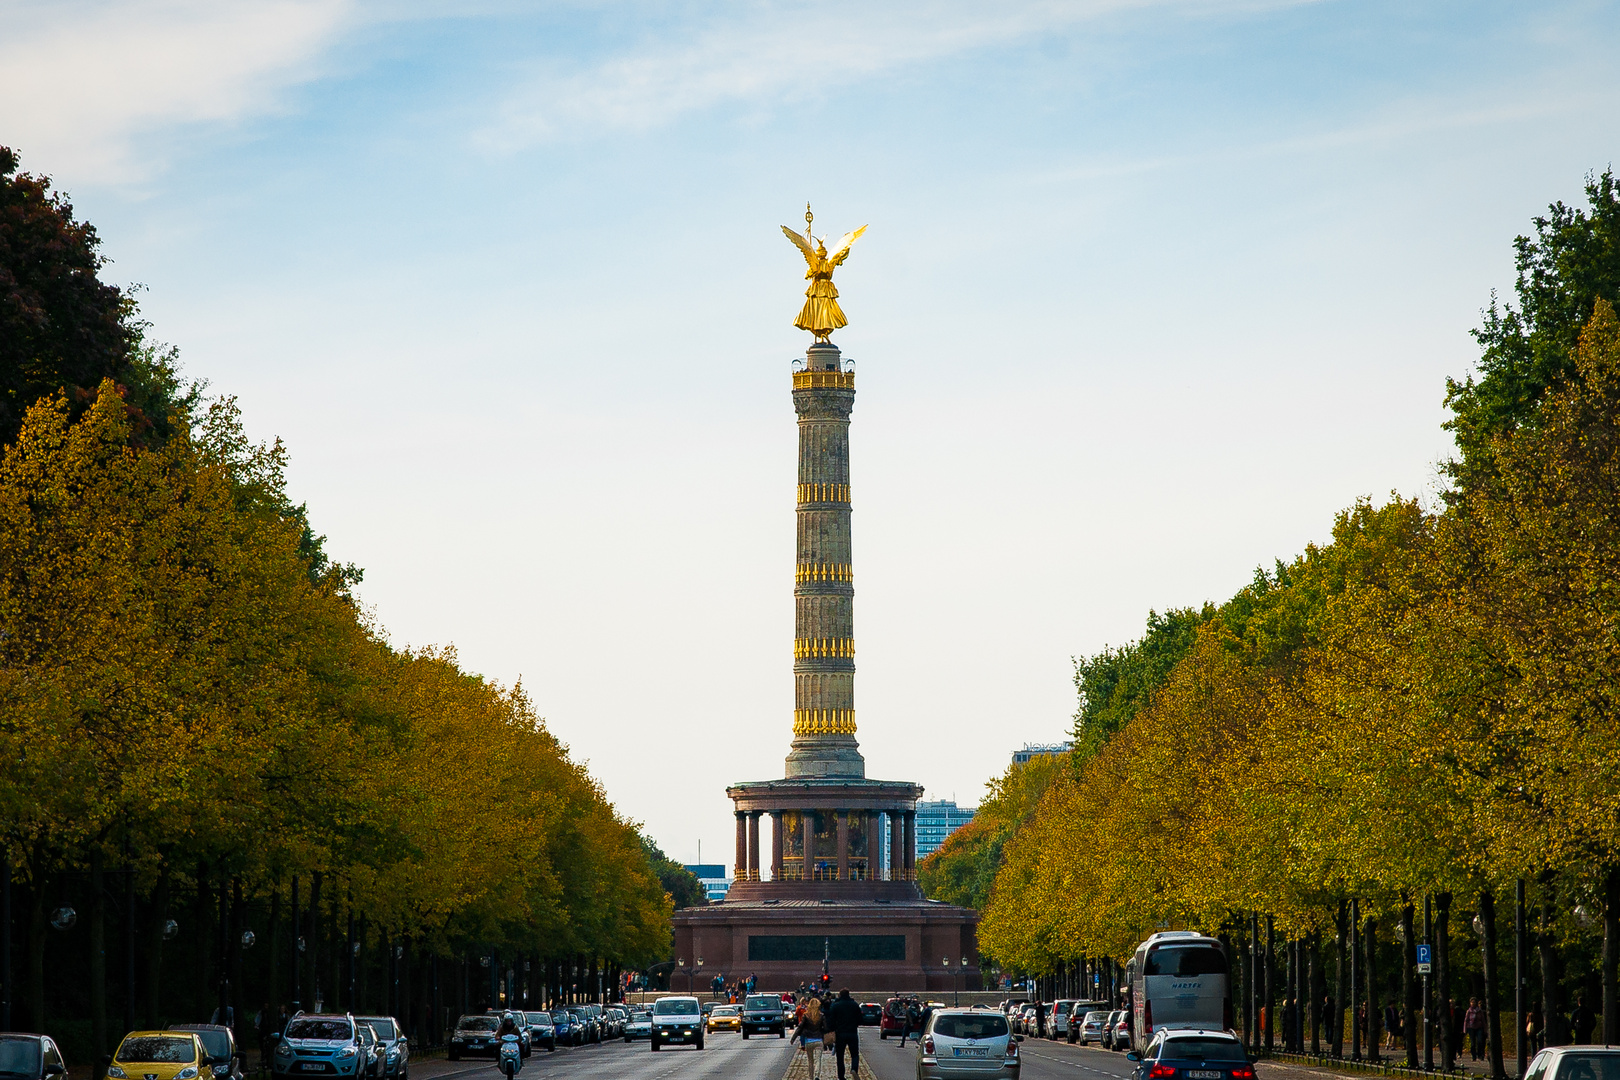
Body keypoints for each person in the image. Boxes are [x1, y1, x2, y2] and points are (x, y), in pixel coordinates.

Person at [827, 989, 862, 1080]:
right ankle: (854, 1069)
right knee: (854, 1054)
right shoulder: (855, 1005)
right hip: (852, 1033)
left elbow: (831, 1021)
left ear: (840, 995)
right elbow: (860, 1019)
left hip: (840, 1034)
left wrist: (832, 1029)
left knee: (840, 1056)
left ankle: (841, 1077)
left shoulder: (835, 1006)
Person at [796, 996, 826, 1080]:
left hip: (809, 1041)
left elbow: (800, 1027)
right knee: (818, 1060)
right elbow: (826, 1028)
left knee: (810, 1061)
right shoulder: (821, 1015)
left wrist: (794, 1038)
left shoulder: (806, 1015)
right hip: (818, 1040)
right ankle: (817, 1075)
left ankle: (811, 1077)